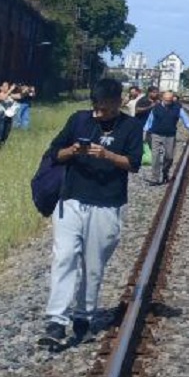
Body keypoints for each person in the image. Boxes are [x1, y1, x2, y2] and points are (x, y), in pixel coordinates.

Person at [40, 78, 144, 350]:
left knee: (93, 264)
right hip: (71, 200)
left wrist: (107, 155)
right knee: (64, 257)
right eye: (96, 108)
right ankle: (56, 322)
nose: (100, 114)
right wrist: (73, 150)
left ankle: (83, 316)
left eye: (106, 109)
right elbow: (54, 154)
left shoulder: (131, 126)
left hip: (107, 203)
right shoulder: (79, 120)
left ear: (118, 102)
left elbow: (133, 164)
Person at [142, 91, 189, 185]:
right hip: (156, 134)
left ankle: (165, 172)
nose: (167, 102)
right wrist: (145, 131)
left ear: (172, 99)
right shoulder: (156, 108)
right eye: (166, 100)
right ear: (162, 99)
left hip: (170, 135)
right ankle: (155, 178)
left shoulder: (177, 108)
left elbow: (185, 118)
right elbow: (150, 120)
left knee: (169, 157)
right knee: (155, 156)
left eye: (169, 100)